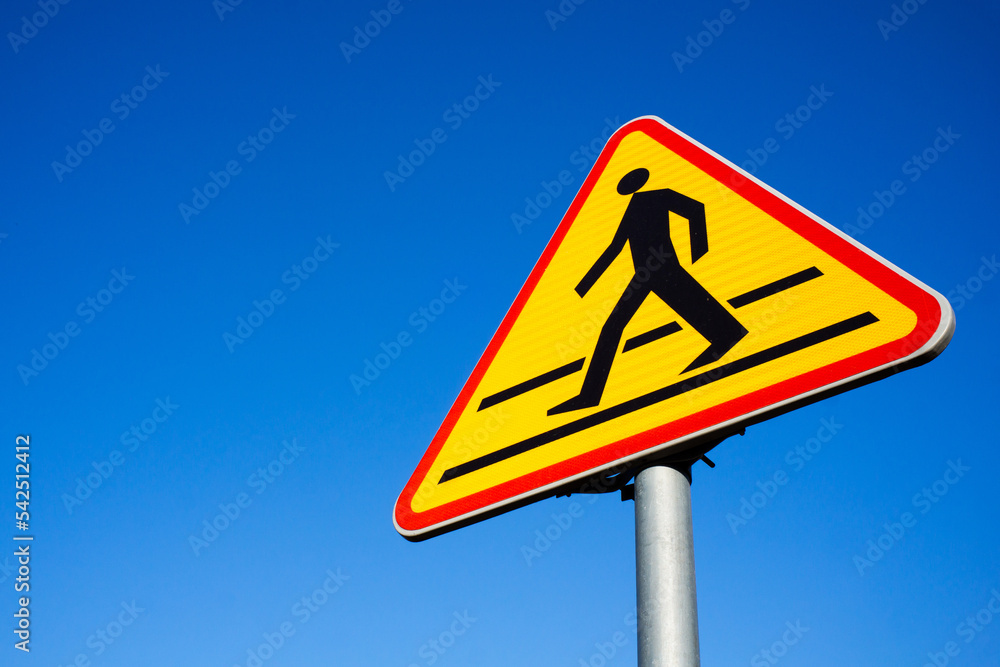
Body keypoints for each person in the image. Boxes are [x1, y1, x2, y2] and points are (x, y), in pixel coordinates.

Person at [548, 167, 747, 415]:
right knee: (613, 326)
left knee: (693, 305)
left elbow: (695, 209)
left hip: (665, 266)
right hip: (644, 274)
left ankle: (728, 335)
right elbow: (615, 247)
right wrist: (583, 285)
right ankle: (589, 396)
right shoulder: (630, 210)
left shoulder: (659, 195)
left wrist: (700, 251)